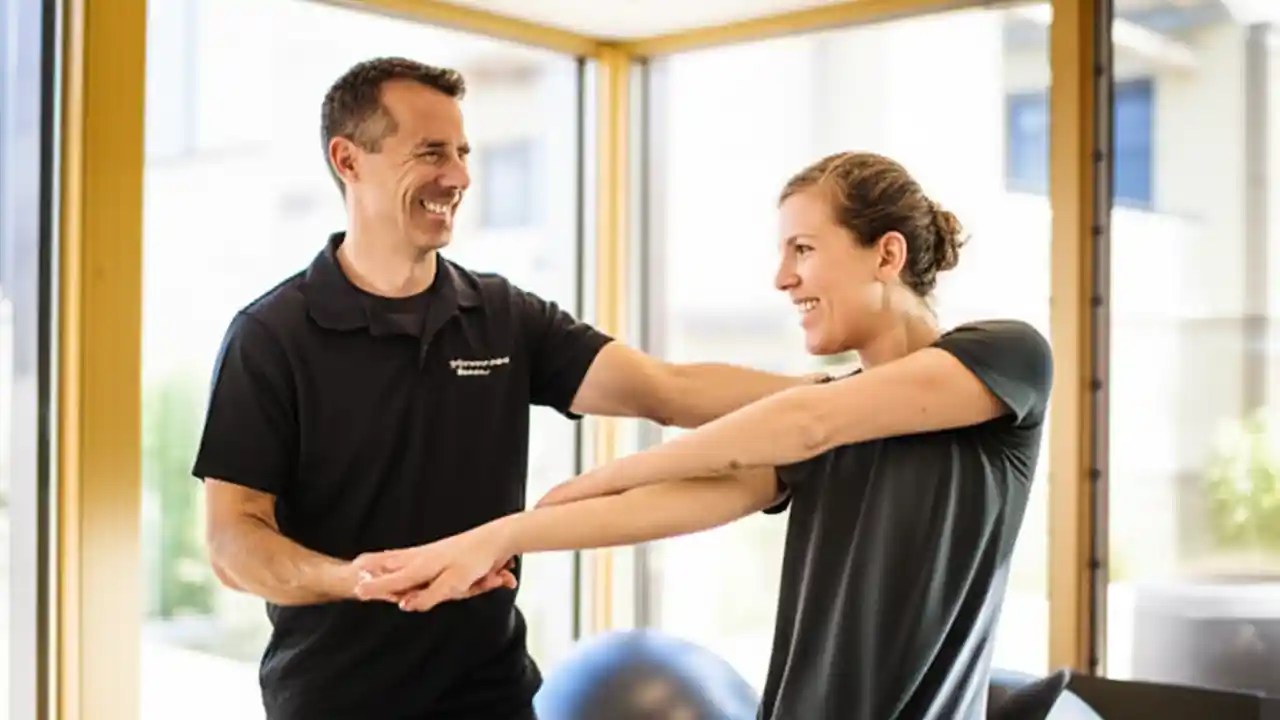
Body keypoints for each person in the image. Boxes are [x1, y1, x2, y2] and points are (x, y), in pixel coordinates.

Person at [192, 56, 821, 720]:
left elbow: (664, 389)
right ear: (348, 160)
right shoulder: (271, 336)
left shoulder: (499, 314)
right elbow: (235, 544)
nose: (459, 176)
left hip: (491, 692)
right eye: (431, 152)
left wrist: (846, 395)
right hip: (336, 700)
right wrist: (351, 579)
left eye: (463, 153)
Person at [353, 151, 1055, 720]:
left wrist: (610, 473)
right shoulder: (829, 416)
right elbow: (688, 500)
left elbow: (805, 422)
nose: (783, 278)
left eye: (803, 249)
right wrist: (498, 536)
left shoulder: (1004, 358)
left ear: (887, 254)